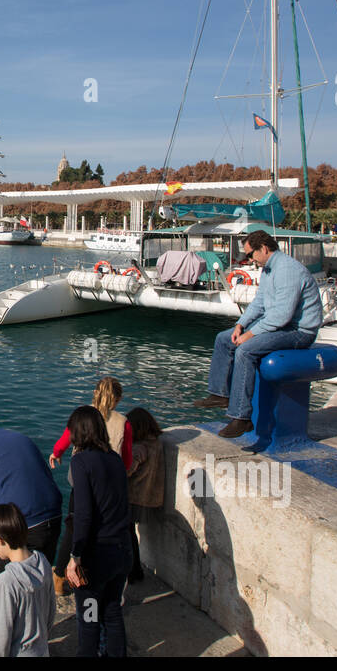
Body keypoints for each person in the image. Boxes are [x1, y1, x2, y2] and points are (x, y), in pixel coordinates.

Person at [193, 229, 323, 438]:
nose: (249, 259)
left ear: (264, 248)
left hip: (298, 331)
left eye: (250, 254)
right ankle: (220, 394)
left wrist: (250, 335)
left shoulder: (287, 270)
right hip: (279, 325)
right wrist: (240, 325)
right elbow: (260, 303)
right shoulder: (269, 270)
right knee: (224, 339)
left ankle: (241, 417)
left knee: (245, 351)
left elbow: (282, 316)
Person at [0, 406, 62, 636]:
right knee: (37, 586)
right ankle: (37, 641)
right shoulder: (20, 438)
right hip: (53, 517)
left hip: (20, 526)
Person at [49, 377, 132, 595]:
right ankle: (119, 572)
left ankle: (59, 576)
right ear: (118, 399)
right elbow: (127, 459)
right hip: (111, 483)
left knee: (74, 523)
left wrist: (56, 453)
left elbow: (67, 438)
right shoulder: (124, 422)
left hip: (83, 478)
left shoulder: (83, 414)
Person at [63, 406, 131, 657]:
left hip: (97, 556)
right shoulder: (114, 458)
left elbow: (83, 513)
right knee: (112, 611)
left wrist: (75, 556)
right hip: (122, 549)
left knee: (89, 617)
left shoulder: (81, 462)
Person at [0, 503, 55, 657]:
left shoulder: (6, 580)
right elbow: (51, 611)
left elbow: (1, 634)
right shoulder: (43, 561)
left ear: (1, 541)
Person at [124, 407, 164, 583]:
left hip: (134, 497)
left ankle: (132, 571)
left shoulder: (139, 448)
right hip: (150, 498)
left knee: (127, 534)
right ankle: (135, 570)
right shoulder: (156, 443)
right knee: (130, 533)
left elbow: (127, 471)